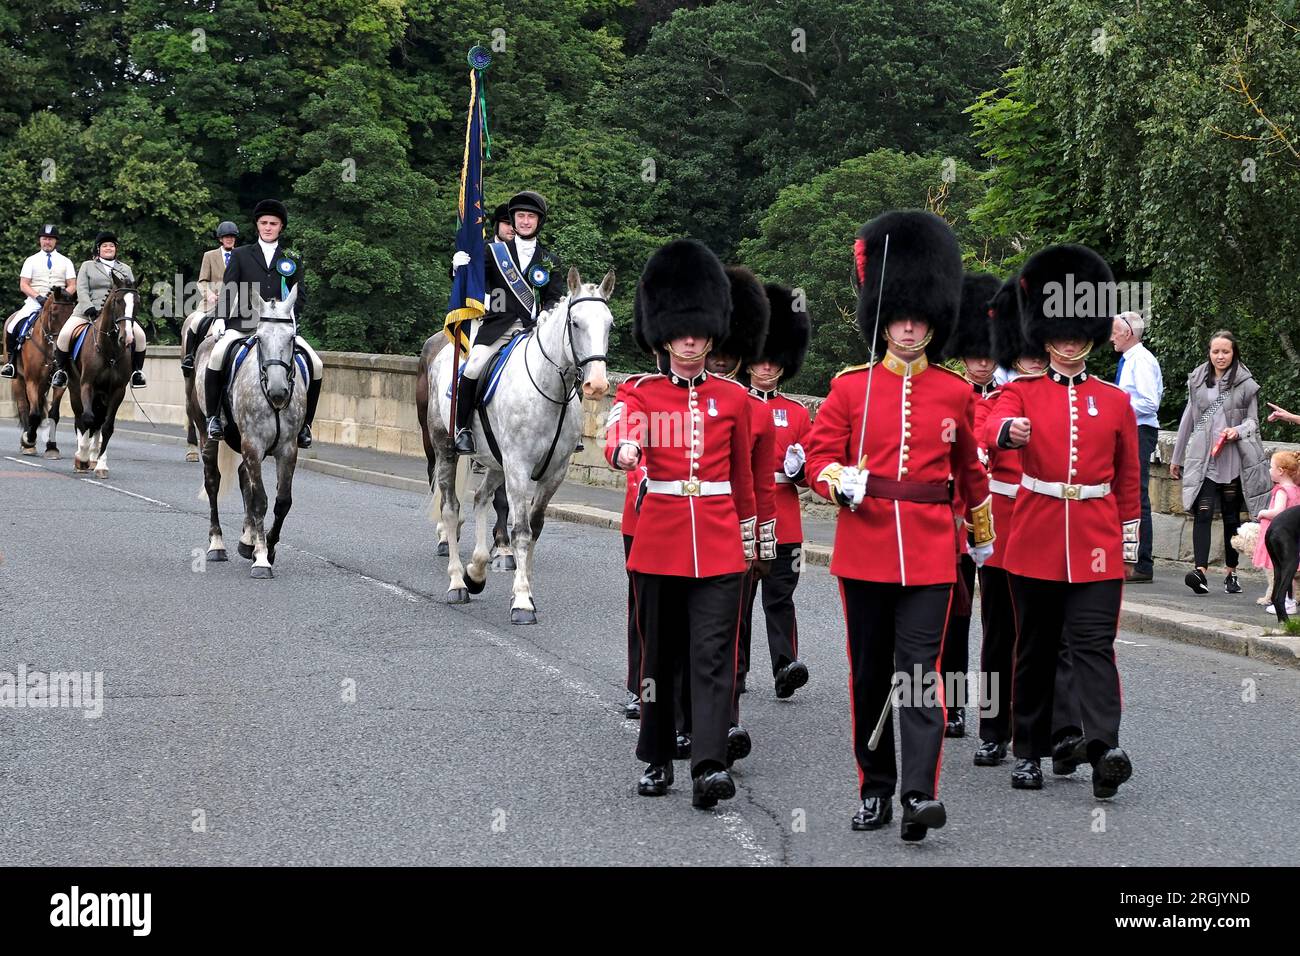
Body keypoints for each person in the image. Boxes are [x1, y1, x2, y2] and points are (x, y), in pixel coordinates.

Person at [806, 210, 994, 841]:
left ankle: (919, 794)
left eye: (919, 318)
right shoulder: (848, 388)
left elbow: (971, 472)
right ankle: (876, 786)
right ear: (883, 320)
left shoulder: (954, 392)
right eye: (899, 317)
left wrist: (983, 537)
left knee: (920, 675)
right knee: (868, 673)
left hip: (934, 554)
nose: (910, 327)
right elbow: (819, 457)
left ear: (932, 322)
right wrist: (838, 481)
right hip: (865, 549)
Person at [605, 238, 757, 810]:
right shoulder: (640, 393)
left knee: (714, 654)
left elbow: (743, 479)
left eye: (699, 331)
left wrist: (751, 539)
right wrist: (624, 452)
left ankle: (710, 763)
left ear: (711, 332)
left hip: (719, 543)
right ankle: (657, 754)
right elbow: (623, 430)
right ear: (664, 333)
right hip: (660, 539)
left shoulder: (736, 400)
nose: (691, 341)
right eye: (682, 331)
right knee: (659, 656)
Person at [987, 243, 1139, 800]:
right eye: (1060, 331)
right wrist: (1007, 434)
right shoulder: (1019, 393)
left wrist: (1127, 535)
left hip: (1096, 537)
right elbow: (993, 425)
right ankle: (1028, 749)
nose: (1071, 341)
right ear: (1043, 333)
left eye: (1079, 332)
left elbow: (1127, 479)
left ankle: (1103, 749)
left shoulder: (1114, 401)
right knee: (1035, 646)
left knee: (1095, 645)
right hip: (1036, 535)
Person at [697, 263, 773, 765]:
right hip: (680, 529)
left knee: (733, 629)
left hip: (732, 533)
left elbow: (759, 483)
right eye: (715, 355)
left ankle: (729, 718)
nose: (721, 364)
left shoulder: (752, 408)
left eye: (728, 357)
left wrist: (760, 543)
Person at [972, 276, 1049, 768]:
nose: (1034, 359)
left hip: (1046, 528)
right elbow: (984, 429)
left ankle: (1051, 731)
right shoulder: (998, 396)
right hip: (1002, 528)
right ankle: (994, 729)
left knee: (1046, 636)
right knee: (1000, 633)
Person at [938, 271, 1003, 740]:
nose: (981, 364)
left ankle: (995, 713)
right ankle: (954, 705)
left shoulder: (1010, 400)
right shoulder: (951, 398)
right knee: (955, 622)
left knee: (999, 627)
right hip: (958, 525)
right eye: (974, 356)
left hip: (1002, 527)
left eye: (988, 356)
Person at [451, 190, 563, 455]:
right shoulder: (493, 252)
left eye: (531, 217)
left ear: (539, 221)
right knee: (473, 368)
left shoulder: (549, 261)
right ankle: (463, 429)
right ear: (513, 221)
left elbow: (555, 297)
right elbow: (473, 281)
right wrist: (458, 266)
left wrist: (547, 313)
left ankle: (568, 431)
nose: (525, 221)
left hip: (535, 333)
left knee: (567, 369)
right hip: (498, 330)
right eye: (520, 216)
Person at [204, 199, 323, 448]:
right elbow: (229, 289)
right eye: (264, 223)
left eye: (273, 223)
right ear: (257, 225)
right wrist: (220, 318)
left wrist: (291, 317)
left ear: (281, 227)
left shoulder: (291, 258)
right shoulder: (240, 255)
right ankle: (214, 417)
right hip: (245, 323)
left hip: (279, 329)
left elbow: (299, 295)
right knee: (216, 356)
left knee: (316, 364)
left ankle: (305, 426)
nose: (268, 227)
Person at [744, 282, 813, 700]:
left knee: (780, 599)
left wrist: (801, 467)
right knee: (737, 603)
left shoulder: (798, 413)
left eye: (773, 363)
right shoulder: (736, 402)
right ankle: (735, 667)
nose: (766, 368)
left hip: (785, 521)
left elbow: (809, 473)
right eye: (760, 361)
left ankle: (785, 665)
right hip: (745, 515)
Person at [1169, 330, 1270, 595]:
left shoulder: (1246, 383)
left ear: (1233, 353)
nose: (1220, 356)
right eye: (1216, 351)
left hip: (1234, 458)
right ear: (1209, 353)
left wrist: (1237, 430)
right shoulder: (1198, 379)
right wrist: (1177, 457)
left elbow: (1253, 422)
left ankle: (1231, 573)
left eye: (1225, 351)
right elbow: (1188, 419)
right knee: (1202, 512)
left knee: (1230, 517)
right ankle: (1199, 572)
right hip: (1205, 458)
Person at [50, 232, 146, 389]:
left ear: (116, 249)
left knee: (140, 336)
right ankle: (61, 371)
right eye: (105, 246)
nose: (109, 248)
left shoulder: (126, 269)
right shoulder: (87, 266)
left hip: (118, 314)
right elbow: (81, 288)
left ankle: (136, 372)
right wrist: (89, 307)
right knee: (64, 335)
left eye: (112, 246)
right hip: (87, 311)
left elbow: (131, 291)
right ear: (98, 249)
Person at [1110, 310, 1164, 582]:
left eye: (1114, 331)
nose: (1111, 338)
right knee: (1129, 492)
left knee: (1137, 494)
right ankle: (1130, 559)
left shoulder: (1140, 360)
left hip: (1140, 430)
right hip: (1133, 429)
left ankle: (1142, 563)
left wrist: (1115, 404)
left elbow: (1149, 403)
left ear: (1128, 332)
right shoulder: (1132, 359)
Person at [2, 224, 77, 379]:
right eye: (44, 239)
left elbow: (72, 285)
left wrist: (61, 296)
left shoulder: (66, 261)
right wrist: (38, 297)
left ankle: (72, 364)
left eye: (50, 239)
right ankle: (10, 362)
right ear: (40, 240)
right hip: (35, 302)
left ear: (55, 241)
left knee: (75, 329)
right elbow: (24, 284)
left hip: (59, 304)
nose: (47, 242)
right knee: (11, 326)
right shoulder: (31, 260)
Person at [180, 221, 241, 374]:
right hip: (211, 303)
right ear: (220, 239)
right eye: (226, 237)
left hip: (235, 303)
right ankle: (190, 357)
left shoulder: (241, 255)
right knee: (195, 323)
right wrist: (211, 294)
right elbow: (202, 281)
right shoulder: (209, 256)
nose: (229, 239)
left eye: (232, 237)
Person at [1252, 451, 1300, 612]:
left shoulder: (1281, 490)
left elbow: (1278, 511)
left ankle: (1287, 603)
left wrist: (1263, 513)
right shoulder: (1295, 488)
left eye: (1271, 467)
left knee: (1282, 570)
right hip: (1293, 536)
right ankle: (1288, 601)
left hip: (1279, 535)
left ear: (1280, 471)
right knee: (1291, 570)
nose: (1269, 470)